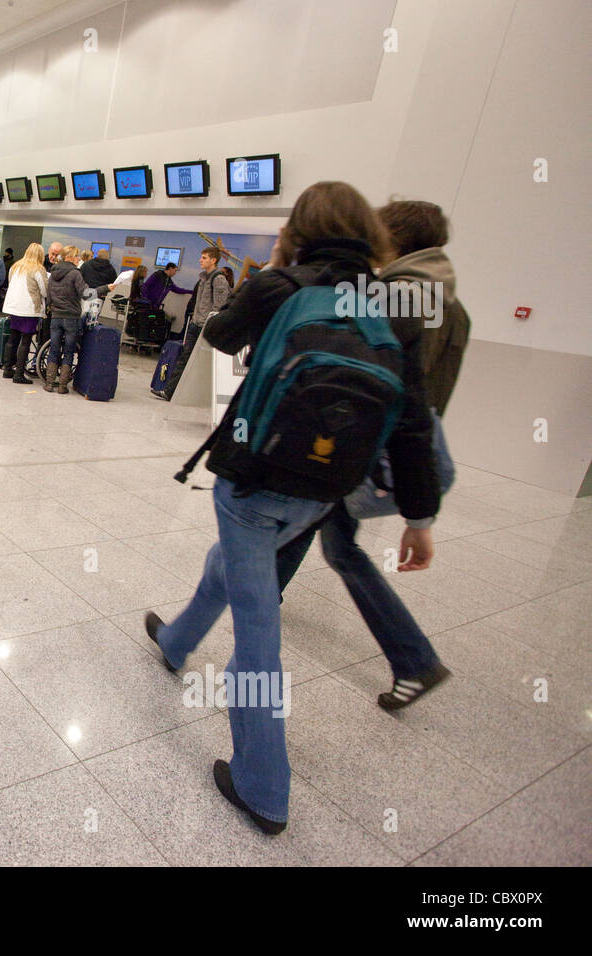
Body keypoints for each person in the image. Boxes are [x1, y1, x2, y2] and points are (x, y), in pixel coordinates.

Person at [142, 181, 441, 836]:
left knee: (256, 627)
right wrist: (419, 518)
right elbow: (413, 423)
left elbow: (219, 337)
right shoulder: (393, 307)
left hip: (252, 482)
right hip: (325, 491)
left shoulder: (283, 284)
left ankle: (262, 786)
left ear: (300, 227)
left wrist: (272, 277)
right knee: (232, 568)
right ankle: (175, 641)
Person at [272, 199, 470, 711]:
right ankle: (259, 594)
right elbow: (432, 400)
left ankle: (414, 659)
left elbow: (369, 384)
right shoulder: (452, 305)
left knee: (330, 542)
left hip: (354, 449)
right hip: (378, 451)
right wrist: (416, 496)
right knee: (321, 536)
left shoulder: (390, 297)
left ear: (393, 239)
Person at [152, 246, 231, 401]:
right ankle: (169, 391)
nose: (200, 260)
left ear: (213, 260)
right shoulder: (203, 278)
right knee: (184, 358)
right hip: (195, 324)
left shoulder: (219, 279)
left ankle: (201, 396)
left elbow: (220, 306)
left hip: (206, 327)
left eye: (204, 258)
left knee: (201, 363)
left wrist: (209, 323)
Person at [43, 246, 108, 393]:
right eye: (76, 256)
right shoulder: (75, 274)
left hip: (56, 316)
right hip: (71, 317)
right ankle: (62, 386)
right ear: (69, 257)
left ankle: (49, 383)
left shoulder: (53, 273)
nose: (79, 258)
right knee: (69, 351)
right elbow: (86, 295)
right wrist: (105, 288)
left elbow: (49, 296)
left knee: (54, 349)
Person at [0, 243, 47, 384]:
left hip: (13, 307)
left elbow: (9, 282)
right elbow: (45, 291)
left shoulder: (16, 266)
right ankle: (19, 374)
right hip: (29, 309)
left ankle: (7, 369)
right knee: (25, 341)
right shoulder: (39, 269)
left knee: (13, 337)